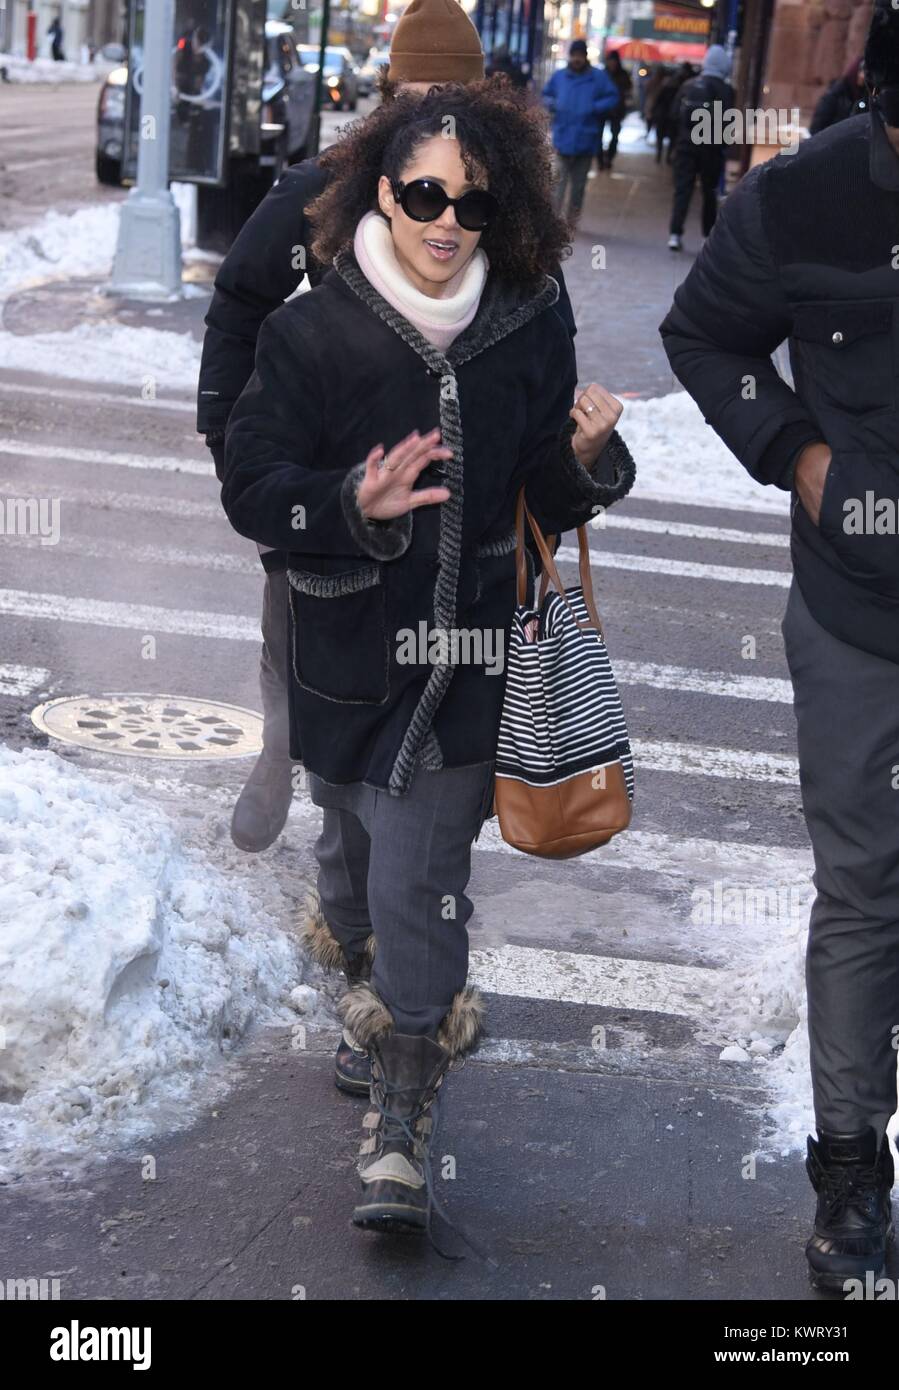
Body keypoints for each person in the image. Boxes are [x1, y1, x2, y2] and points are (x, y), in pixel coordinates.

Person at [221, 81, 636, 1237]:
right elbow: (250, 485)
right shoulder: (312, 329)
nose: (446, 221)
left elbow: (548, 495)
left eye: (470, 202)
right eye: (422, 195)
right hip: (342, 659)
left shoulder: (528, 315)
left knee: (419, 879)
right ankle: (357, 954)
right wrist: (348, 501)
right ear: (381, 194)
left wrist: (589, 457)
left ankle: (399, 1124)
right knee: (352, 847)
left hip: (466, 667)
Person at [197, 0, 578, 857]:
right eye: (418, 85)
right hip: (330, 476)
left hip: (453, 500)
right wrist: (235, 441)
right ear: (387, 86)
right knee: (304, 641)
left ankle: (387, 878)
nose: (434, 104)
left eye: (453, 87)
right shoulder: (318, 188)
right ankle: (283, 748)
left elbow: (547, 332)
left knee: (423, 701)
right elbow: (238, 308)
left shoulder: (496, 201)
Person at [660, 0, 899, 1294]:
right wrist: (799, 456)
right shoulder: (802, 202)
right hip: (857, 607)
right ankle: (850, 1175)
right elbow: (699, 332)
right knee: (864, 891)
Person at [541, 39, 620, 224]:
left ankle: (571, 223)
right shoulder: (560, 76)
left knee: (578, 187)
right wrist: (554, 105)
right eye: (574, 55)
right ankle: (553, 222)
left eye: (580, 55)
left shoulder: (598, 77)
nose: (577, 59)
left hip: (586, 140)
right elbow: (546, 94)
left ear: (585, 57)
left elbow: (613, 96)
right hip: (562, 138)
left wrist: (594, 107)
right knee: (557, 185)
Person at [667, 46, 735, 251]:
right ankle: (707, 236)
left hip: (686, 147)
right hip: (711, 149)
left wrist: (678, 141)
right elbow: (728, 121)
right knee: (709, 192)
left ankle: (675, 234)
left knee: (682, 191)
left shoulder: (689, 85)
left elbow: (673, 115)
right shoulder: (726, 90)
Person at [810, 56, 869, 135]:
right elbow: (818, 125)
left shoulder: (866, 97)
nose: (862, 76)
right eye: (861, 72)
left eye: (866, 73)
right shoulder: (837, 93)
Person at [596, 49, 632, 171]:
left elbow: (628, 90)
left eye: (614, 60)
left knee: (615, 136)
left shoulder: (623, 74)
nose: (612, 63)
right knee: (598, 136)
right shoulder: (602, 74)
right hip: (602, 110)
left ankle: (609, 159)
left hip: (617, 110)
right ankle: (600, 160)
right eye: (610, 60)